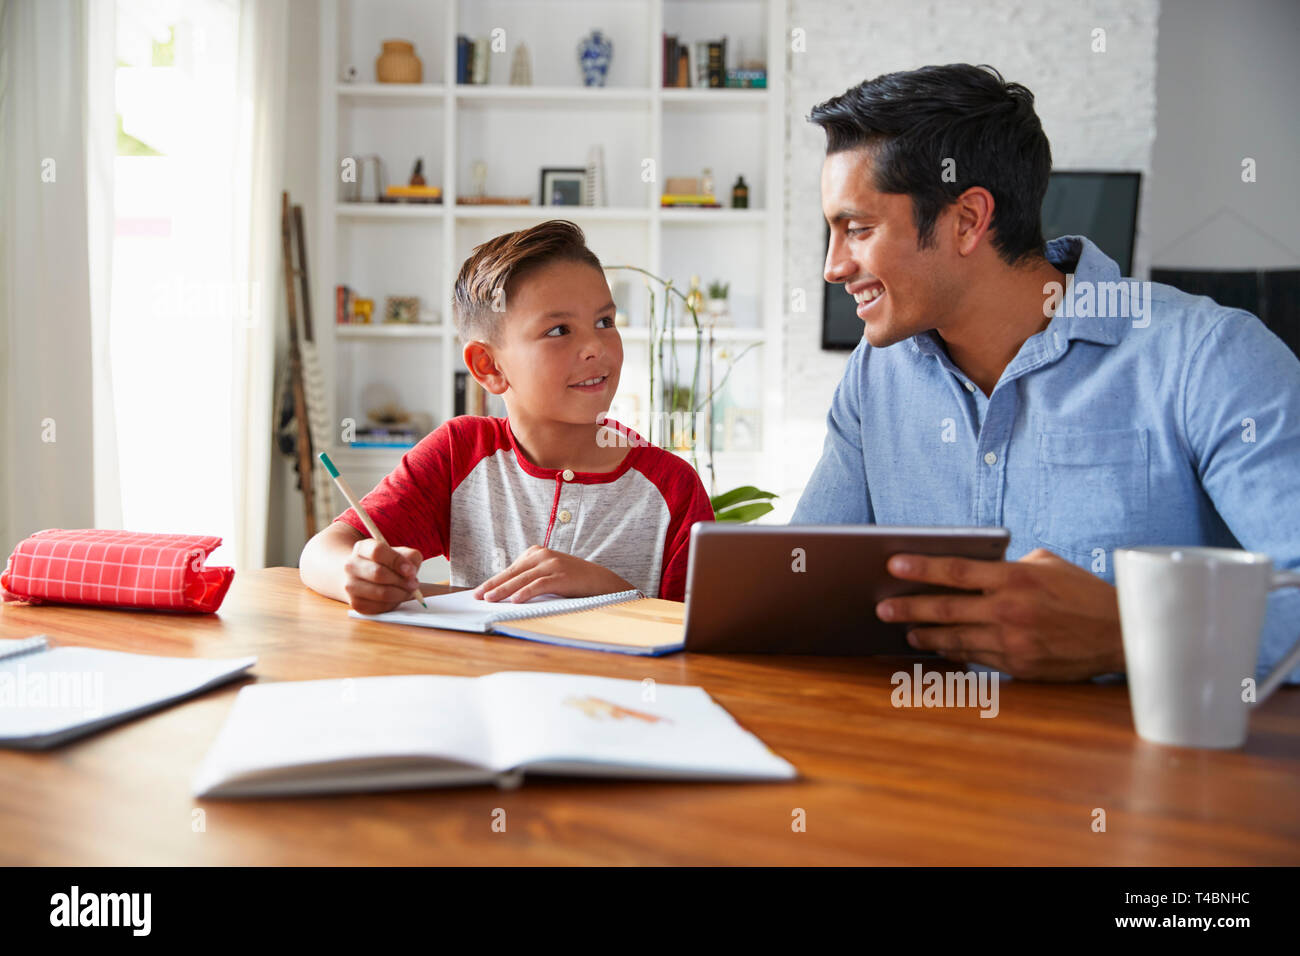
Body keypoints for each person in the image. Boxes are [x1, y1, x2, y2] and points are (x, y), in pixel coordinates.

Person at [795, 63, 1300, 682]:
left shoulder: (1210, 356)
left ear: (967, 220)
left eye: (859, 229)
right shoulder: (875, 376)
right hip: (923, 762)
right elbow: (802, 589)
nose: (833, 266)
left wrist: (1131, 633)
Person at [299, 219, 714, 614]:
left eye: (605, 321)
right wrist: (355, 574)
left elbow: (704, 637)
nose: (596, 347)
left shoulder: (673, 489)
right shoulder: (458, 454)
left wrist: (607, 591)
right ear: (488, 367)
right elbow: (322, 551)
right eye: (559, 330)